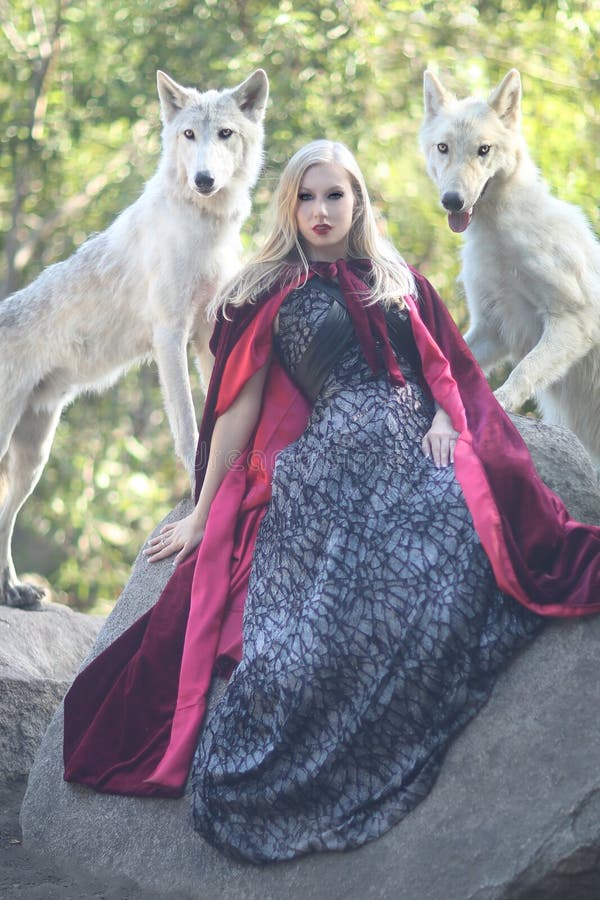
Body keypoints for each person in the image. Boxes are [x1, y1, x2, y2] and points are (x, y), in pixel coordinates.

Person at [63, 140, 600, 864]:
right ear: (290, 205)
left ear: (357, 201)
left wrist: (449, 418)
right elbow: (239, 408)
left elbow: (450, 366)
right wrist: (200, 508)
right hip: (330, 468)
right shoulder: (267, 289)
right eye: (307, 197)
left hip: (417, 448)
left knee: (465, 550)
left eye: (334, 196)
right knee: (315, 636)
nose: (321, 211)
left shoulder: (395, 275)